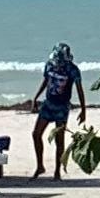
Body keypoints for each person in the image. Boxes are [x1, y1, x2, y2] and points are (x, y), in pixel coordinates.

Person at [32, 42, 87, 178]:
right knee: (36, 134)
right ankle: (40, 166)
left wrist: (83, 110)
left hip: (62, 107)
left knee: (59, 140)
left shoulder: (73, 70)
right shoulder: (49, 65)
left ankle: (57, 171)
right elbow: (46, 81)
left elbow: (79, 90)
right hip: (48, 104)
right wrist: (36, 97)